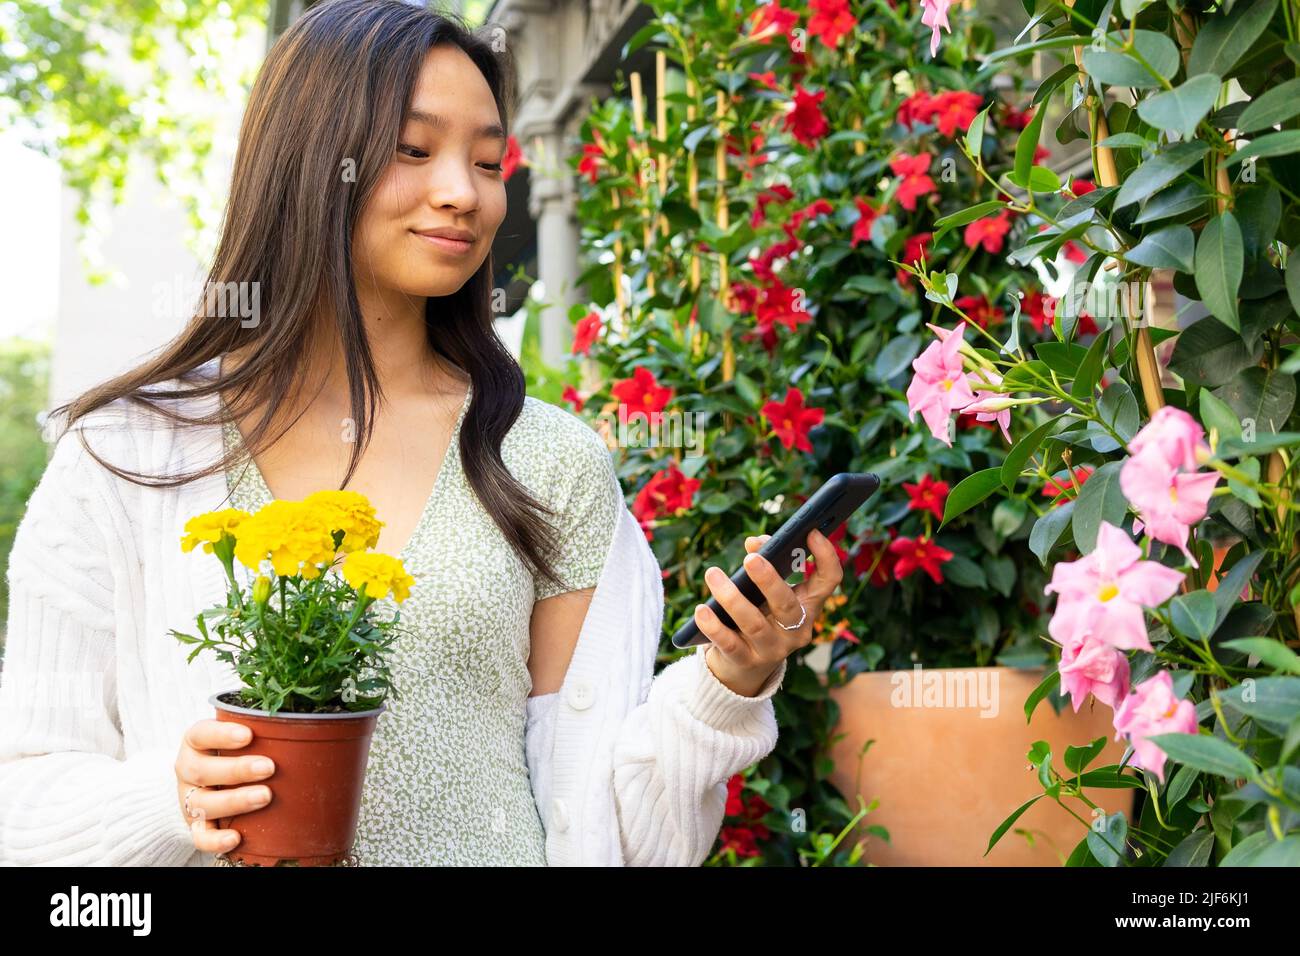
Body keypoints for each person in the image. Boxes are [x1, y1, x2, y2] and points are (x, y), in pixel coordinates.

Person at [0, 0, 844, 866]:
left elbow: (610, 832)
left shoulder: (547, 462)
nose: (464, 192)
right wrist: (168, 799)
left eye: (487, 161)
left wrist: (728, 684)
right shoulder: (128, 454)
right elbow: (19, 806)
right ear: (307, 157)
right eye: (415, 149)